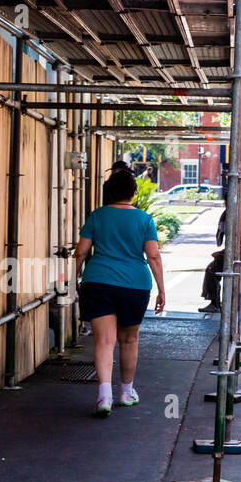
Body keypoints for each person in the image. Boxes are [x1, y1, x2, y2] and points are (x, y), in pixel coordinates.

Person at [74, 166, 165, 417]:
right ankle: (126, 392)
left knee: (104, 340)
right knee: (129, 340)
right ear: (133, 193)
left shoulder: (97, 216)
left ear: (109, 193)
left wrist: (70, 282)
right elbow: (153, 256)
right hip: (135, 285)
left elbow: (80, 252)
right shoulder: (144, 219)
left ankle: (104, 396)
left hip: (98, 281)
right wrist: (161, 289)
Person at [199, 188, 241, 314]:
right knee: (212, 270)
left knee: (213, 270)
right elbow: (237, 240)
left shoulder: (240, 215)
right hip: (237, 253)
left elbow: (238, 240)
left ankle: (220, 304)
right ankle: (216, 303)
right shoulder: (235, 215)